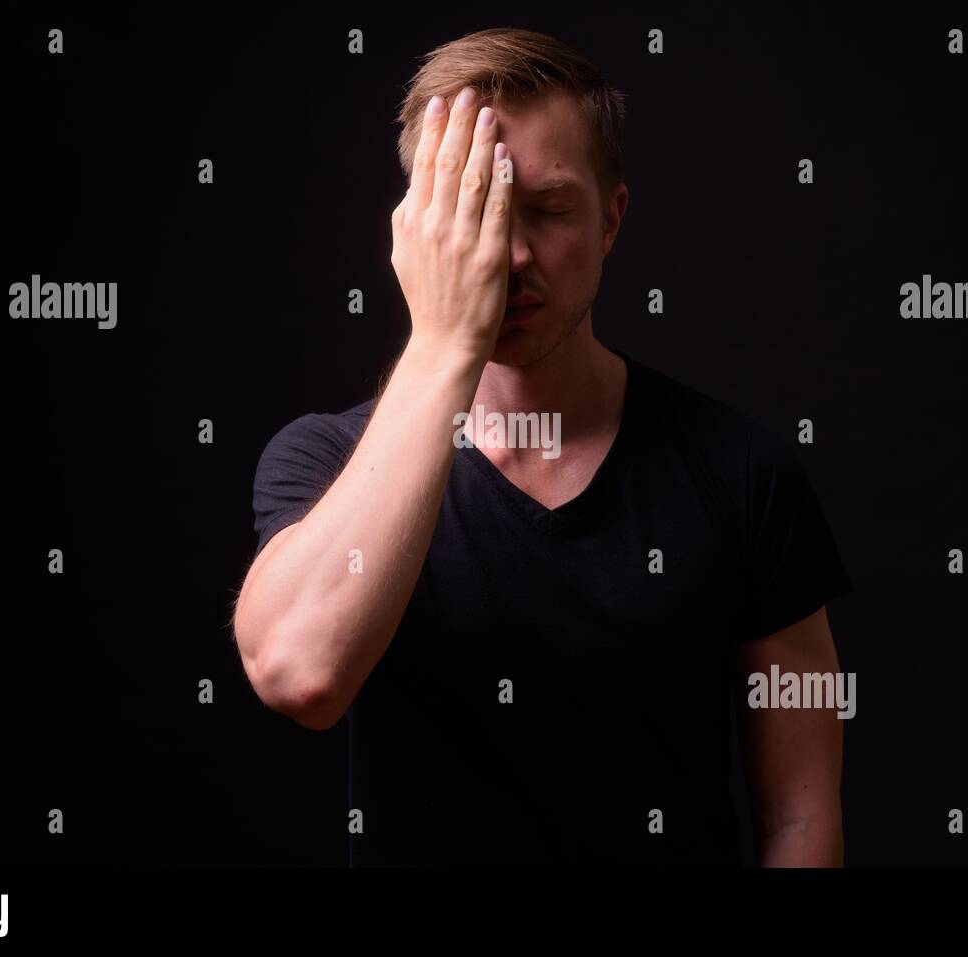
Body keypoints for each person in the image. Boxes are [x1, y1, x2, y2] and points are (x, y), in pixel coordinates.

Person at [232, 28, 853, 866]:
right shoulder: (322, 460)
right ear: (417, 231)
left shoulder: (743, 475)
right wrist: (447, 342)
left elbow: (803, 822)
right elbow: (299, 673)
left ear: (611, 219)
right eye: (472, 212)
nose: (511, 255)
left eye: (549, 210)